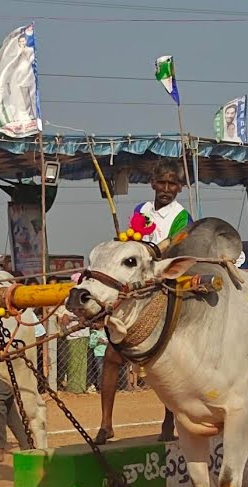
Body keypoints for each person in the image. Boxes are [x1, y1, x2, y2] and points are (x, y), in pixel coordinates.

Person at [95, 159, 185, 444]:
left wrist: (153, 250)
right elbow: (134, 239)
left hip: (163, 283)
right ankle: (106, 423)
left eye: (172, 184)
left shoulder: (181, 217)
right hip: (135, 287)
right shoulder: (140, 211)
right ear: (153, 184)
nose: (166, 189)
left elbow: (179, 242)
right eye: (162, 183)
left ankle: (168, 422)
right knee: (111, 357)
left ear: (179, 187)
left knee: (170, 363)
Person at [0, 377, 31, 463]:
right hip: (0, 375)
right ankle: (25, 443)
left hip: (8, 372)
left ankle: (0, 445)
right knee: (7, 405)